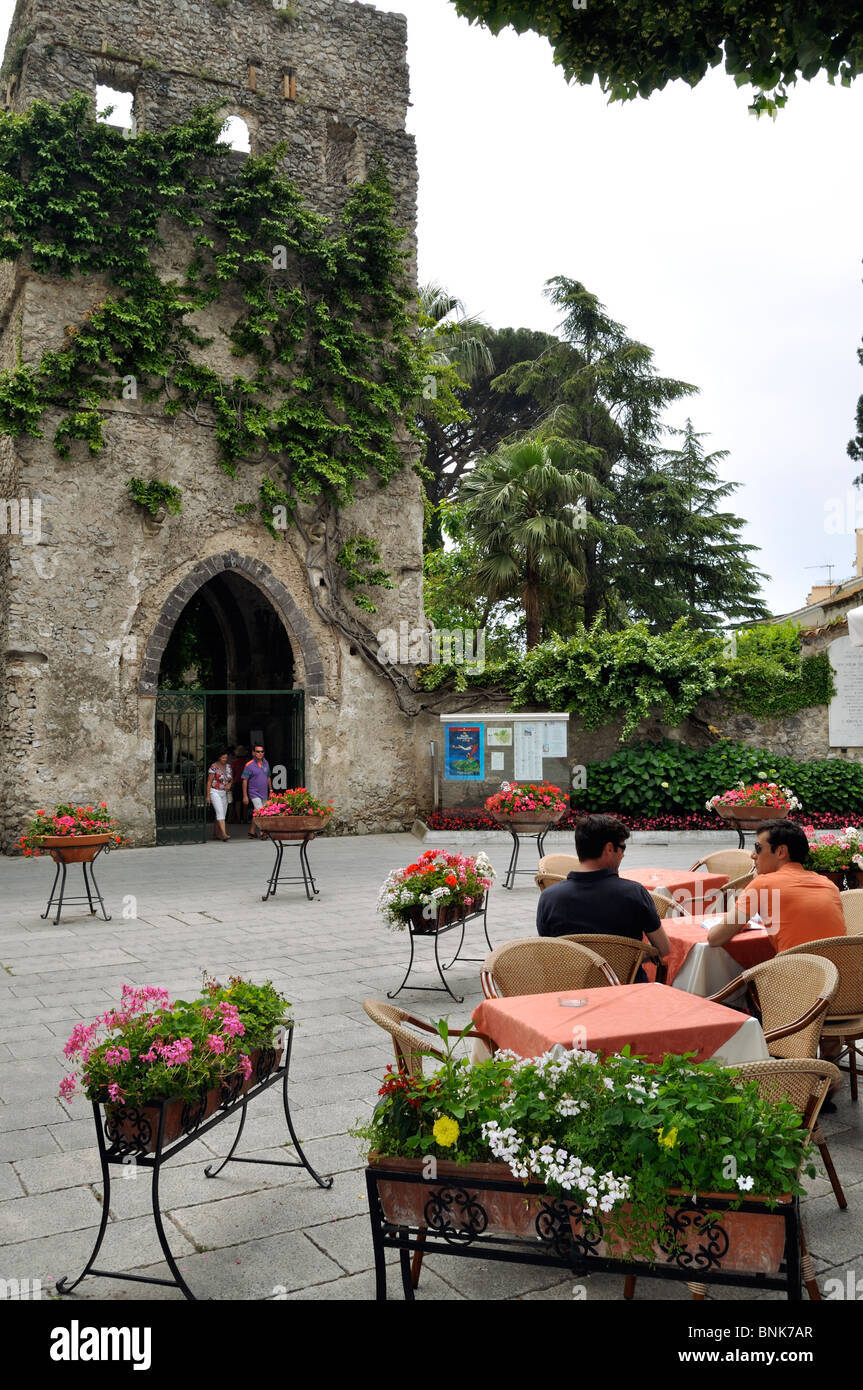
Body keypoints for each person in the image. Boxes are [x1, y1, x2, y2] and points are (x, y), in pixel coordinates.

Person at [537, 814, 671, 975]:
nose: (622, 854)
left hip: (572, 989)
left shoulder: (549, 897)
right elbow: (663, 948)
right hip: (626, 988)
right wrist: (626, 960)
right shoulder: (634, 893)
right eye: (622, 848)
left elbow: (548, 951)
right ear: (609, 849)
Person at [707, 819, 846, 954]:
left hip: (798, 973)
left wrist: (739, 924)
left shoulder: (763, 884)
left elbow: (715, 938)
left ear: (781, 852)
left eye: (758, 848)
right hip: (841, 972)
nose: (752, 855)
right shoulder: (828, 884)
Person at [242, 744, 272, 838]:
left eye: (262, 751)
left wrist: (271, 790)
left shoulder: (266, 763)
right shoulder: (249, 765)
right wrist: (245, 796)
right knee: (260, 811)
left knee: (259, 812)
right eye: (258, 751)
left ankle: (251, 832)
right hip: (254, 792)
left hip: (264, 792)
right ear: (253, 753)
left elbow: (268, 777)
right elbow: (244, 780)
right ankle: (263, 832)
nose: (260, 753)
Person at [205, 750, 233, 842]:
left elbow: (231, 779)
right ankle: (224, 834)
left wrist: (229, 784)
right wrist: (208, 796)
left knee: (222, 813)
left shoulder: (228, 766)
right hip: (214, 791)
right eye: (223, 758)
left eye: (226, 757)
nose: (225, 759)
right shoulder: (214, 767)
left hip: (224, 792)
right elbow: (209, 782)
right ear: (219, 757)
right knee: (220, 812)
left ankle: (215, 833)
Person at [229, 745, 247, 824]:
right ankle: (245, 817)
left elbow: (233, 774)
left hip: (237, 782)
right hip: (246, 782)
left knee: (238, 801)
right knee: (245, 800)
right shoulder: (247, 762)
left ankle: (239, 818)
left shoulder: (234, 762)